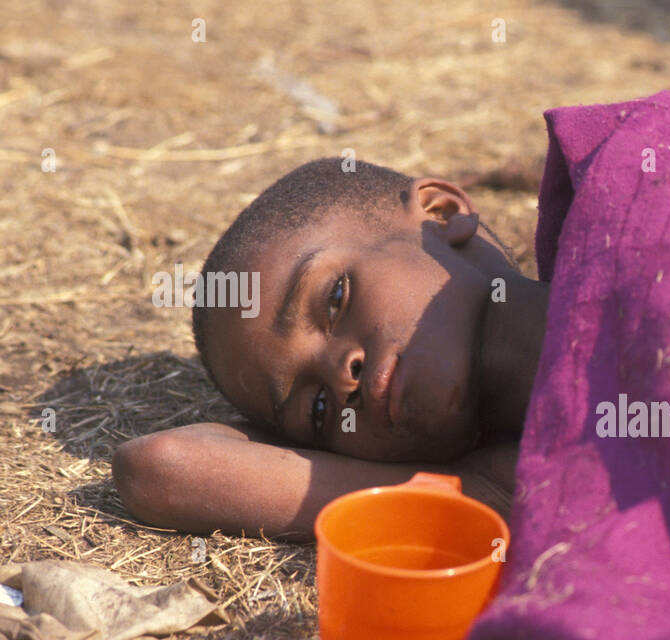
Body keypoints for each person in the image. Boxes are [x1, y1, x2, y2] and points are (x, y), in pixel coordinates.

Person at [112, 159, 545, 540]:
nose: (342, 374)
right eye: (319, 409)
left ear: (441, 214)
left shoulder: (608, 228)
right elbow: (162, 470)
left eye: (335, 300)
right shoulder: (516, 489)